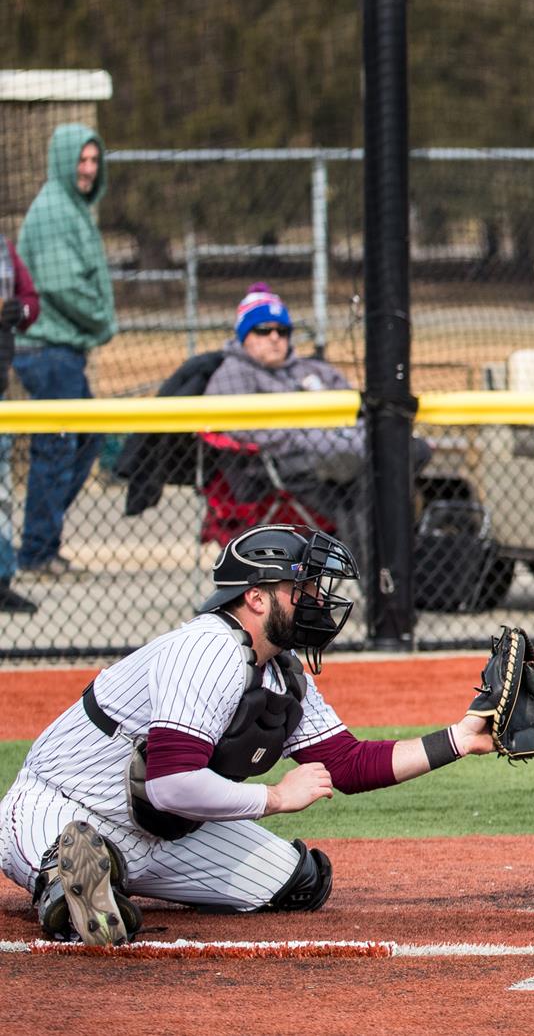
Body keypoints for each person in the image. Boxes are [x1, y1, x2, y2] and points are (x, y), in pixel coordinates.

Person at [0, 523, 498, 944]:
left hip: (162, 830)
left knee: (300, 883)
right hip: (63, 807)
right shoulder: (205, 649)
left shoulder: (279, 670)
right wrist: (276, 797)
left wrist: (460, 738)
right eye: (301, 589)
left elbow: (347, 763)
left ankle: (109, 879)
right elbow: (170, 783)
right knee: (69, 859)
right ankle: (71, 887)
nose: (317, 602)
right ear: (256, 597)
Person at [203, 284, 425, 550]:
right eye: (263, 330)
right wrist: (305, 437)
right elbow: (238, 427)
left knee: (413, 452)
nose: (275, 337)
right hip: (285, 465)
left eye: (282, 331)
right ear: (244, 336)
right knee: (366, 483)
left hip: (344, 452)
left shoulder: (313, 369)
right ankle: (377, 557)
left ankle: (369, 536)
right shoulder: (233, 373)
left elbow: (357, 408)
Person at [14, 124, 116, 579]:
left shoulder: (73, 208)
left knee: (83, 439)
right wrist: (102, 319)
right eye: (82, 160)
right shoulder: (56, 209)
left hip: (63, 352)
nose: (88, 170)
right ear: (62, 160)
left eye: (95, 161)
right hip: (49, 351)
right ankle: (37, 551)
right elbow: (60, 284)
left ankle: (43, 542)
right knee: (57, 448)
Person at [0, 234, 42, 612]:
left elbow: (31, 302)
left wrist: (17, 311)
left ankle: (1, 581)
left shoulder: (4, 248)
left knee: (1, 494)